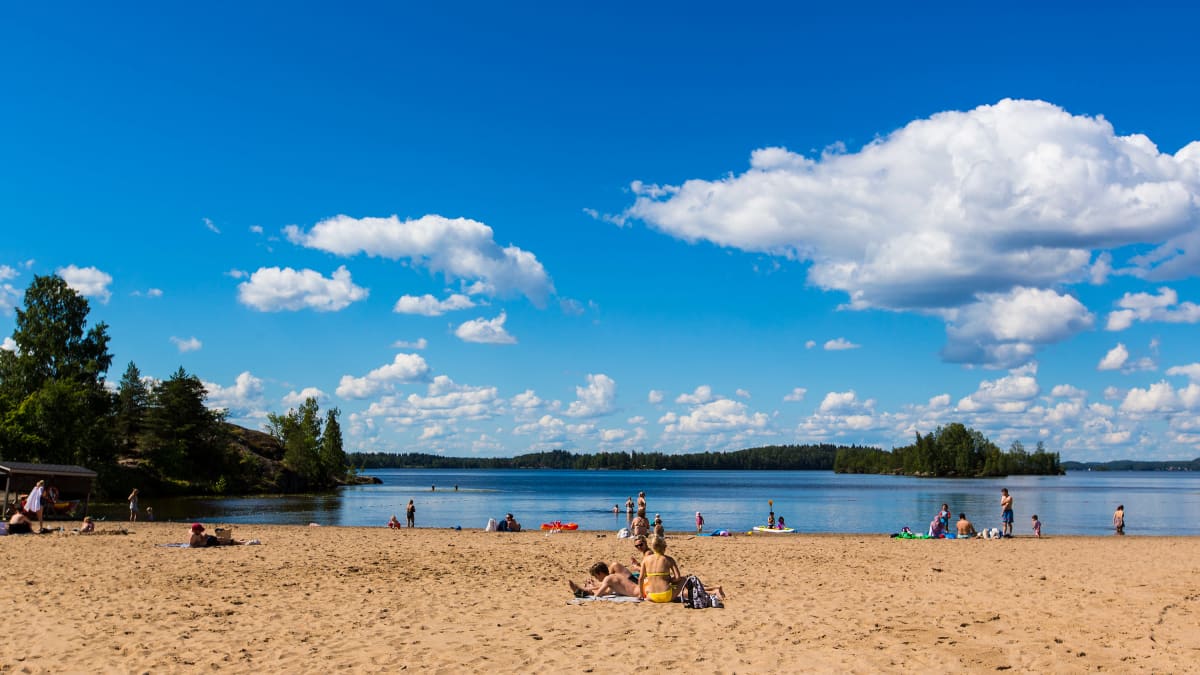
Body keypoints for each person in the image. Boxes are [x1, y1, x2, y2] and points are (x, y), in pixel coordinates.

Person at [639, 535, 683, 603]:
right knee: (684, 579)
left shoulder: (645, 559)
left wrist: (641, 594)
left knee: (646, 582)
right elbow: (678, 577)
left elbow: (640, 578)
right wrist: (670, 580)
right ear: (664, 547)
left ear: (653, 547)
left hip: (651, 596)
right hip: (666, 595)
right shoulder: (669, 559)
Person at [569, 562, 640, 598]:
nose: (596, 578)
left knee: (615, 565)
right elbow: (607, 591)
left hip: (638, 590)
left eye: (595, 576)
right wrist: (592, 587)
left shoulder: (608, 579)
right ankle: (582, 589)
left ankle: (582, 590)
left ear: (600, 573)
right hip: (638, 588)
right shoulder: (614, 577)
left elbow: (599, 594)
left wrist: (590, 589)